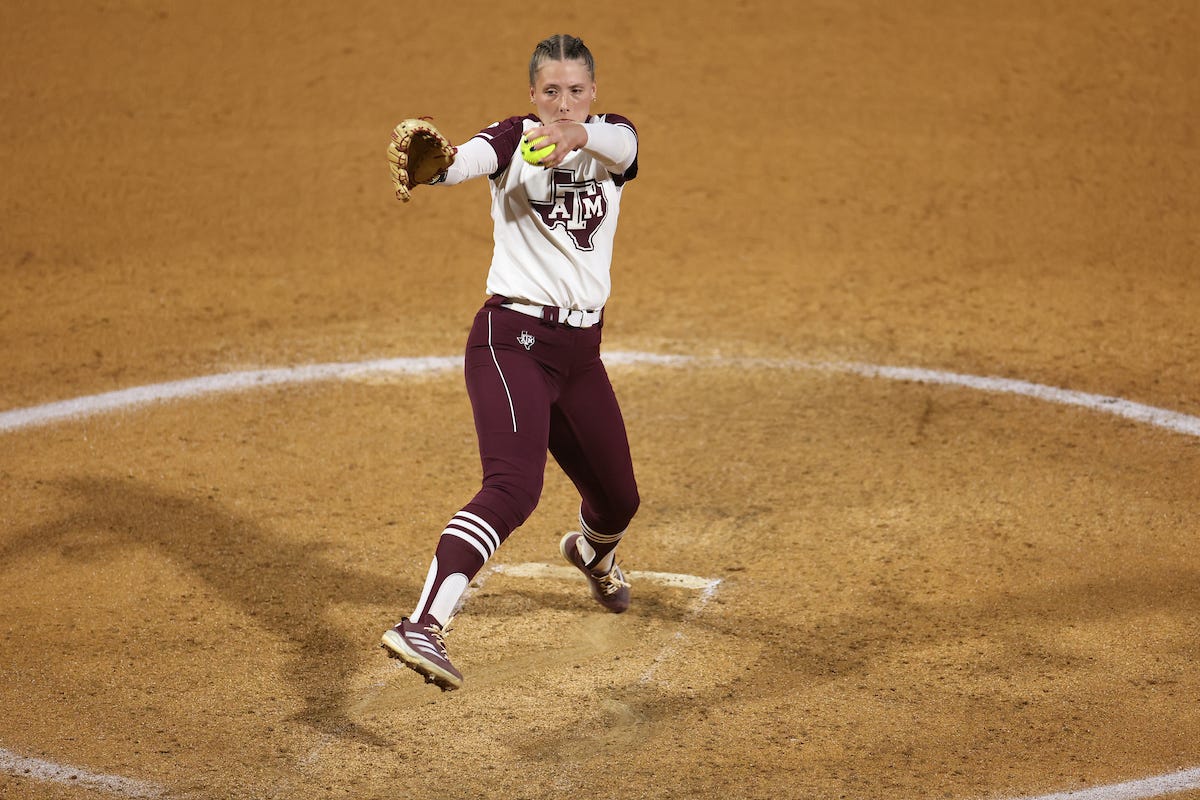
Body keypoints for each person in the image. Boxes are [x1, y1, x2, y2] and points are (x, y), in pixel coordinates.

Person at [380, 34, 641, 691]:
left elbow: (622, 147)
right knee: (513, 487)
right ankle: (424, 624)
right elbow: (461, 162)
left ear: (593, 93)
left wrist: (577, 137)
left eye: (575, 91)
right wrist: (437, 168)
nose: (563, 103)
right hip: (512, 344)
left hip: (581, 357)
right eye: (551, 92)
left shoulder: (612, 139)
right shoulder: (510, 141)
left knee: (619, 500)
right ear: (532, 95)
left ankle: (592, 554)